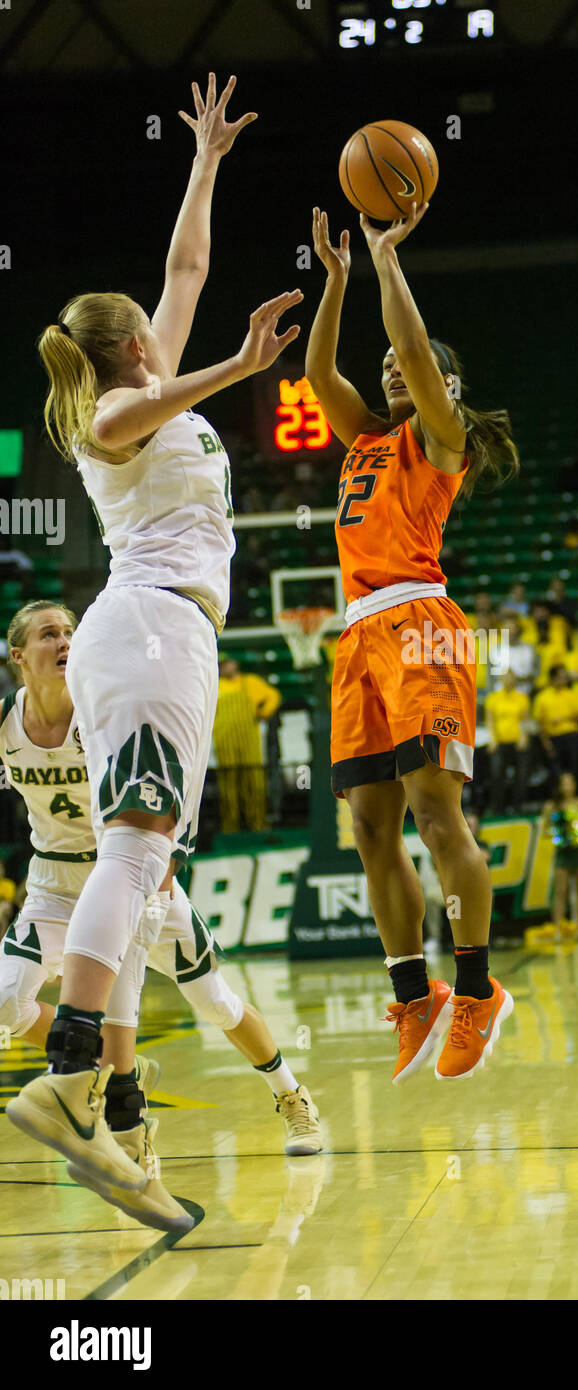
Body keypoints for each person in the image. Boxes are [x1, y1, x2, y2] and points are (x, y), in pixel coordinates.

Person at [7, 75, 304, 1217]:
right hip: (147, 627)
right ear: (130, 346)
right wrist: (238, 364)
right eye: (151, 327)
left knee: (140, 857)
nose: (159, 320)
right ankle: (72, 1068)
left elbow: (186, 270)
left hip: (153, 635)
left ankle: (92, 1084)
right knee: (132, 853)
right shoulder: (107, 416)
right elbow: (153, 392)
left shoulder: (144, 384)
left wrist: (207, 160)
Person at [0, 601, 321, 1225]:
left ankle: (291, 1094)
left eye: (70, 631)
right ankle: (102, 1083)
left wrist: (169, 855)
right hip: (53, 884)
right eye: (48, 635)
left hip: (132, 874)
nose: (64, 641)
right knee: (7, 1001)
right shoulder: (4, 726)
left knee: (217, 1004)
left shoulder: (103, 711)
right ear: (19, 656)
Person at [306, 200, 519, 1082]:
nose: (394, 366)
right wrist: (338, 279)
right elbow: (319, 369)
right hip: (357, 642)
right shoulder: (363, 438)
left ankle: (475, 991)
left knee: (438, 816)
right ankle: (413, 991)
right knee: (369, 827)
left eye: (411, 362)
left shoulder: (442, 437)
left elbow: (417, 345)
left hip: (423, 626)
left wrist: (389, 260)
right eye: (387, 362)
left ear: (444, 386)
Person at [213, 657, 281, 832]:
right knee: (228, 791)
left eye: (227, 662)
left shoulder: (250, 682)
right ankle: (230, 830)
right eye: (221, 664)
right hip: (224, 747)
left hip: (250, 747)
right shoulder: (214, 685)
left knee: (255, 786)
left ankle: (258, 826)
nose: (225, 667)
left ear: (235, 663)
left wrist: (264, 712)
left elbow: (273, 696)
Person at [540, 772, 578, 934]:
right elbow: (544, 831)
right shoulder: (551, 806)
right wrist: (560, 833)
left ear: (575, 785)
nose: (567, 787)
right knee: (560, 891)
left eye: (570, 783)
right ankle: (557, 928)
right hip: (562, 851)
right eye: (564, 783)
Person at [532, 664, 578, 790]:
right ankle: (557, 799)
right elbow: (540, 723)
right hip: (553, 738)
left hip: (571, 737)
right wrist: (546, 743)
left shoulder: (572, 694)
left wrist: (563, 719)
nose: (564, 680)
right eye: (561, 677)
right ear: (553, 678)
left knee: (574, 769)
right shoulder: (542, 697)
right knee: (555, 772)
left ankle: (573, 798)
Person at [485, 669, 530, 814]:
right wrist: (492, 740)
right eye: (505, 677)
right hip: (500, 742)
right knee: (497, 775)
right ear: (501, 679)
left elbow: (525, 720)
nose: (508, 680)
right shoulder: (493, 698)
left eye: (511, 677)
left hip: (517, 741)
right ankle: (499, 808)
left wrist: (523, 737)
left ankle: (518, 806)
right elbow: (490, 721)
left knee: (521, 776)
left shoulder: (522, 698)